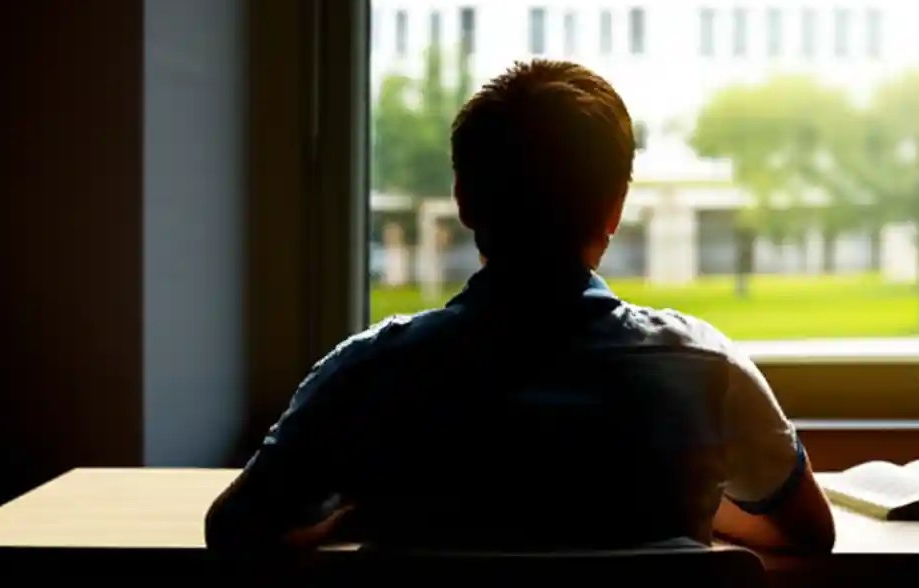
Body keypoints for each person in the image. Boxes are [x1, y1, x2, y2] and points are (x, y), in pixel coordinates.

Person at [206, 60, 835, 560]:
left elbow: (234, 528)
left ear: (464, 201)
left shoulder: (369, 371)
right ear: (615, 210)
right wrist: (695, 499)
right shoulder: (707, 369)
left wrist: (339, 520)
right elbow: (809, 531)